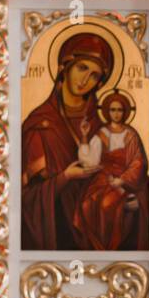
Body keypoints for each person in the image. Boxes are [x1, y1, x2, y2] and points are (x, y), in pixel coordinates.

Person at [21, 32, 113, 250]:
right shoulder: (40, 124)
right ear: (66, 66)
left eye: (94, 76)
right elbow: (25, 194)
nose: (85, 81)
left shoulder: (102, 125)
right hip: (59, 226)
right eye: (82, 68)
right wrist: (65, 177)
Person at [72, 90, 149, 251]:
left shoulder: (130, 135)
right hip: (103, 177)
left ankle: (109, 247)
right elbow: (90, 160)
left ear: (125, 112)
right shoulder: (102, 134)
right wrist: (85, 136)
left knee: (107, 205)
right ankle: (97, 248)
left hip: (124, 179)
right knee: (86, 205)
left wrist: (122, 180)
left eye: (119, 110)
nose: (116, 114)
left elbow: (138, 162)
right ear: (107, 111)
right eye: (113, 110)